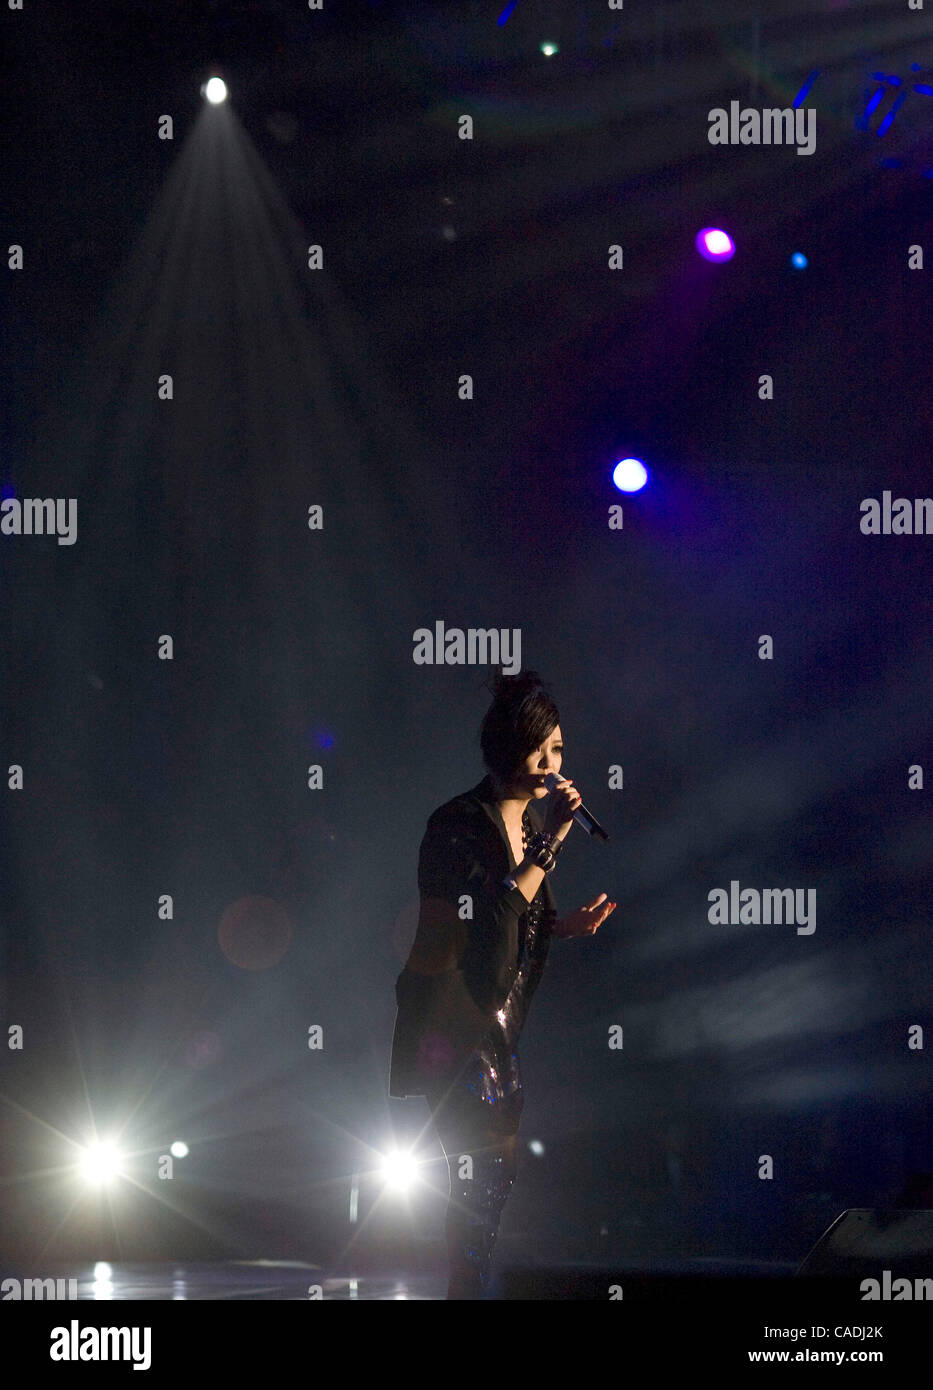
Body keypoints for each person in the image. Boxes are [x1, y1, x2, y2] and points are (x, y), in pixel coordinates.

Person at [388, 668, 617, 1298]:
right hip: (452, 1024)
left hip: (498, 1029)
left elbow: (523, 920)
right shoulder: (458, 823)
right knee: (474, 1184)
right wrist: (556, 840)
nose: (551, 763)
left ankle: (469, 1287)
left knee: (495, 1184)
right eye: (539, 748)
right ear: (505, 750)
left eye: (560, 749)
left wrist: (565, 927)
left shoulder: (525, 830)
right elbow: (489, 920)